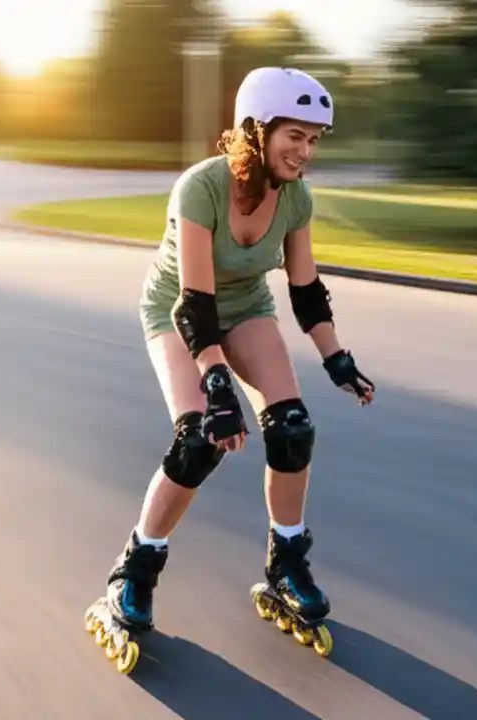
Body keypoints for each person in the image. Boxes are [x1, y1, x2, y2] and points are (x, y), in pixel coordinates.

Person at [97, 67, 376, 644]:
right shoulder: (200, 188)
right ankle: (136, 567)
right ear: (257, 130)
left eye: (313, 140)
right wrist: (218, 386)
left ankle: (286, 564)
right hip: (178, 312)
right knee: (198, 439)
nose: (305, 152)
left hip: (247, 310)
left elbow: (305, 290)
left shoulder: (296, 200)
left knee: (293, 429)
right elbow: (193, 306)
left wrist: (337, 359)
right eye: (294, 136)